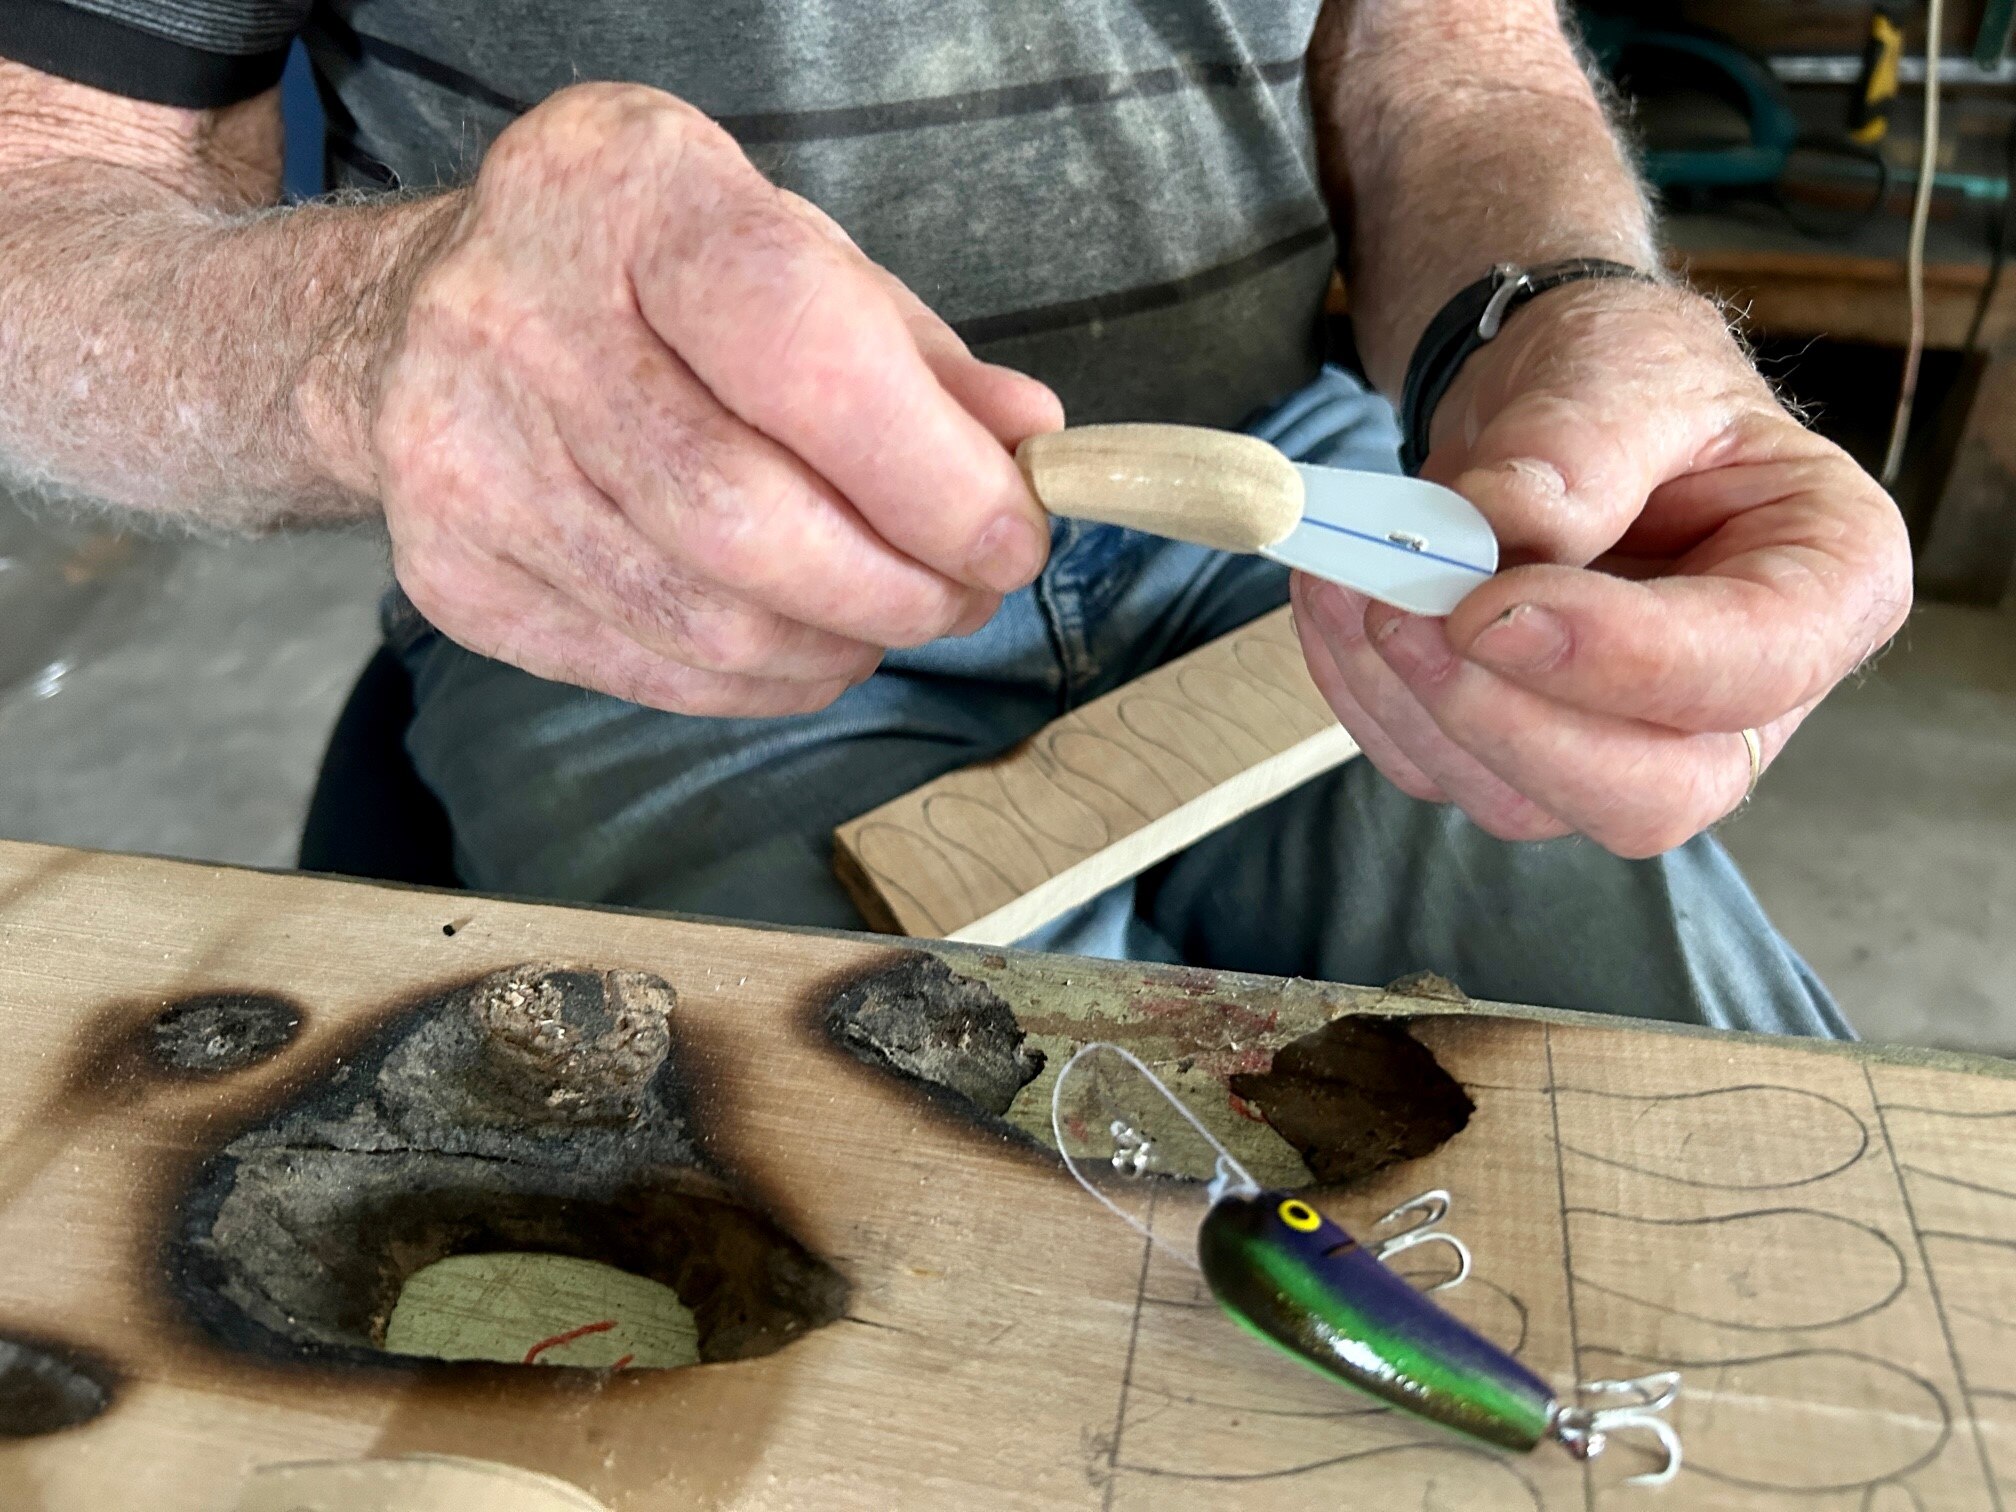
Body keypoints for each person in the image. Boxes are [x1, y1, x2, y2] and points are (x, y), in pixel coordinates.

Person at [0, 0, 1908, 1033]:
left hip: (1309, 507)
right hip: (663, 564)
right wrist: (361, 340)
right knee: (911, 1326)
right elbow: (47, 198)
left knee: (1754, 1220)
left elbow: (1449, 50)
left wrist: (1552, 308)